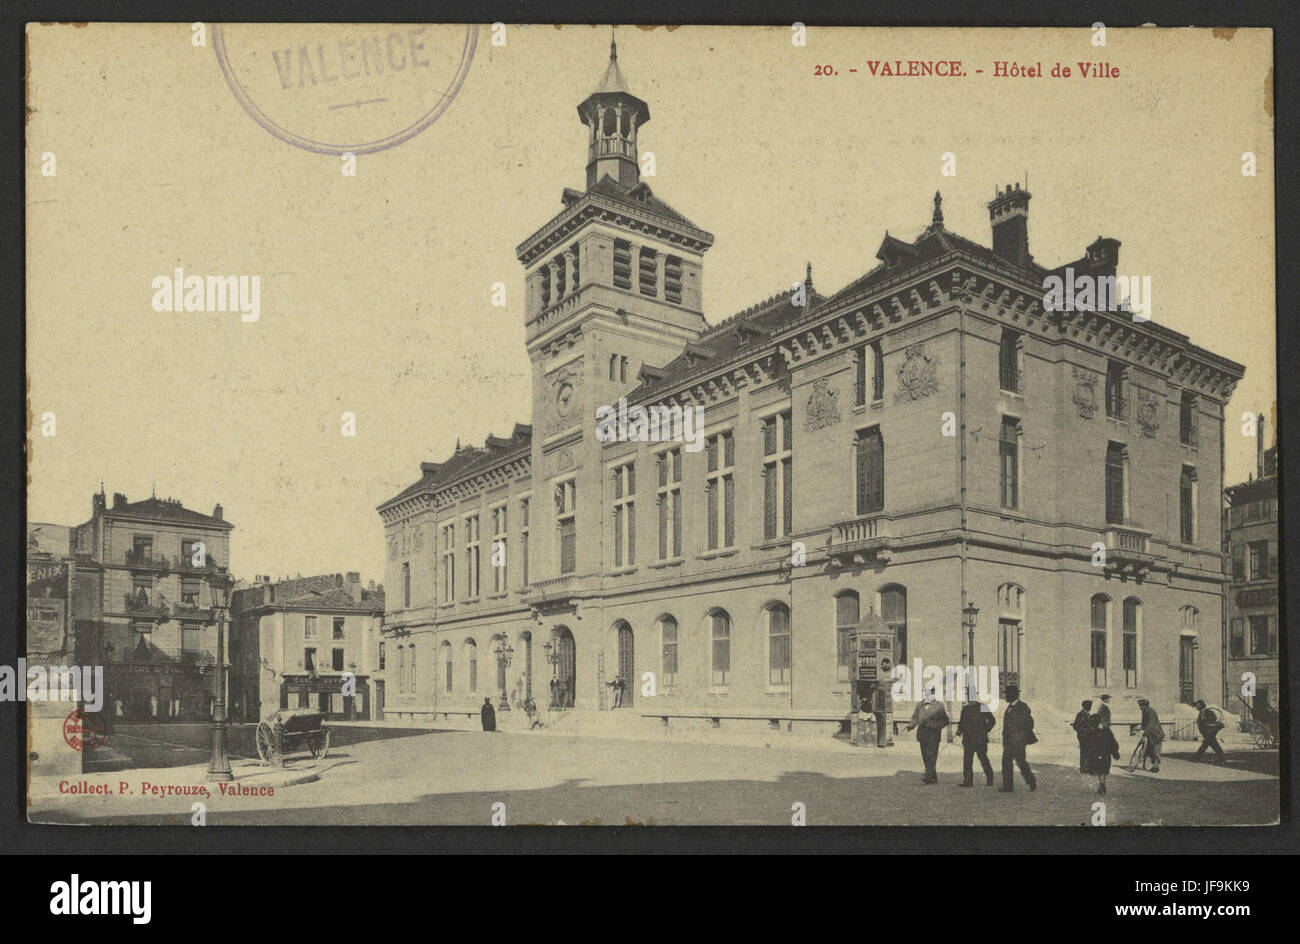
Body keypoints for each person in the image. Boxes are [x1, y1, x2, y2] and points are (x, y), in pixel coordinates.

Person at [905, 686, 950, 784]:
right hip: (922, 734)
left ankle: (928, 776)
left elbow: (946, 721)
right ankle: (933, 776)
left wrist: (936, 726)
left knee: (932, 756)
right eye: (925, 693)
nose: (926, 695)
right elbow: (915, 717)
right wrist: (911, 725)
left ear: (933, 693)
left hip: (934, 735)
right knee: (925, 756)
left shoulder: (939, 706)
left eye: (928, 693)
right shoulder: (920, 705)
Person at [999, 685, 1037, 792]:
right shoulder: (1009, 707)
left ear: (1013, 695)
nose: (1005, 696)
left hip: (1018, 741)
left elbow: (1029, 723)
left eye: (1007, 694)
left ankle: (1031, 782)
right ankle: (1008, 786)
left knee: (1021, 762)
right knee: (1006, 762)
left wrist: (1020, 736)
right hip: (1008, 741)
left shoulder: (1023, 707)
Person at [957, 695, 996, 787]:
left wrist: (985, 730)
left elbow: (992, 720)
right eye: (969, 696)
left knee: (983, 759)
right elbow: (962, 722)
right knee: (967, 761)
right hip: (968, 739)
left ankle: (990, 778)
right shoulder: (965, 709)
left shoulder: (983, 707)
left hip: (980, 739)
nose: (970, 699)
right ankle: (968, 781)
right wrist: (959, 730)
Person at [1084, 715, 1121, 794]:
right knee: (1101, 770)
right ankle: (1102, 784)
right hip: (1102, 755)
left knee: (1100, 770)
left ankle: (1102, 785)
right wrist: (1115, 753)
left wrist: (1115, 753)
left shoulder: (1098, 731)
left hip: (1101, 754)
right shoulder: (1105, 730)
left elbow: (1112, 743)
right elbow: (1113, 743)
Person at [1193, 699, 1226, 763]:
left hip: (1210, 731)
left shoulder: (1207, 711)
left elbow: (1214, 718)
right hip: (1206, 732)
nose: (1196, 707)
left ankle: (1197, 757)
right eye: (1196, 706)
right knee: (1213, 745)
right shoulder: (1202, 712)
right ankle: (1222, 757)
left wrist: (1206, 720)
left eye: (1198, 705)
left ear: (1202, 706)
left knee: (1205, 744)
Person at [1137, 698, 1163, 773]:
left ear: (1146, 706)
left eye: (1141, 706)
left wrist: (1145, 734)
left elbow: (1150, 724)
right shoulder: (1144, 712)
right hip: (1150, 734)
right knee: (1149, 750)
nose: (1140, 707)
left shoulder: (1151, 712)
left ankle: (1156, 766)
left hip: (1156, 734)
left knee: (1155, 750)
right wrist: (1139, 728)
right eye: (1139, 706)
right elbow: (1144, 723)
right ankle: (1151, 765)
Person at [1072, 699, 1094, 773]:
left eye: (1091, 706)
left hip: (1089, 736)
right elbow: (1075, 726)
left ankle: (1087, 767)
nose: (1090, 707)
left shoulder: (1088, 714)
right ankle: (1084, 769)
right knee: (1084, 752)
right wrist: (1084, 731)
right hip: (1083, 737)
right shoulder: (1080, 714)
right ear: (1085, 706)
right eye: (1089, 706)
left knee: (1089, 752)